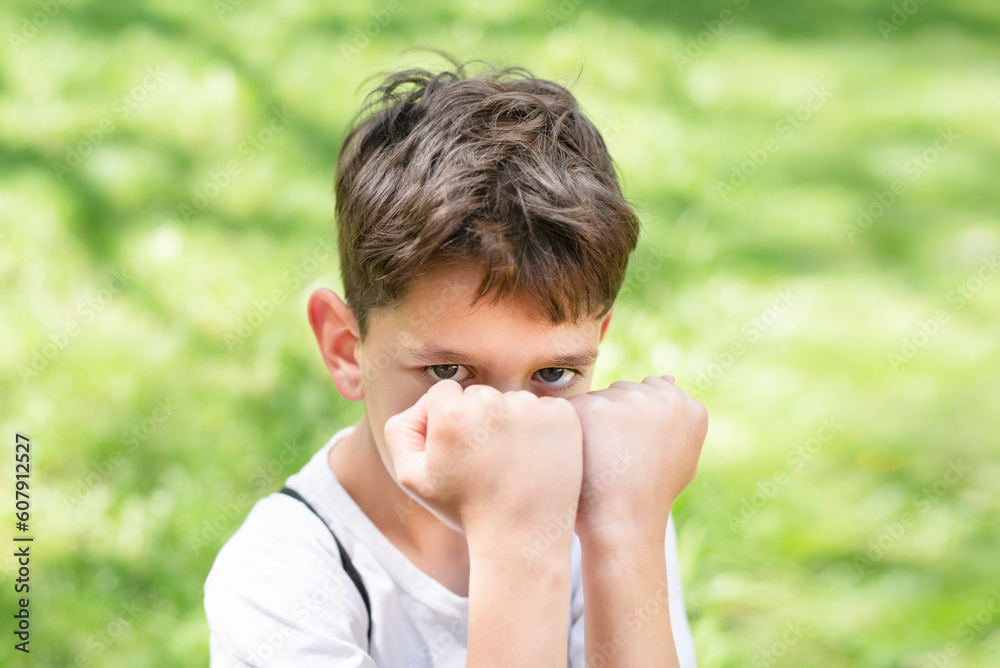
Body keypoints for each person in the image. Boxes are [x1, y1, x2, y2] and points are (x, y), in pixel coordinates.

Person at [204, 56, 708, 668]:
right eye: (448, 372)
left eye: (553, 373)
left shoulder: (606, 511)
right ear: (345, 348)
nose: (506, 424)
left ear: (595, 344)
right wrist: (518, 545)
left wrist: (628, 532)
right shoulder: (279, 580)